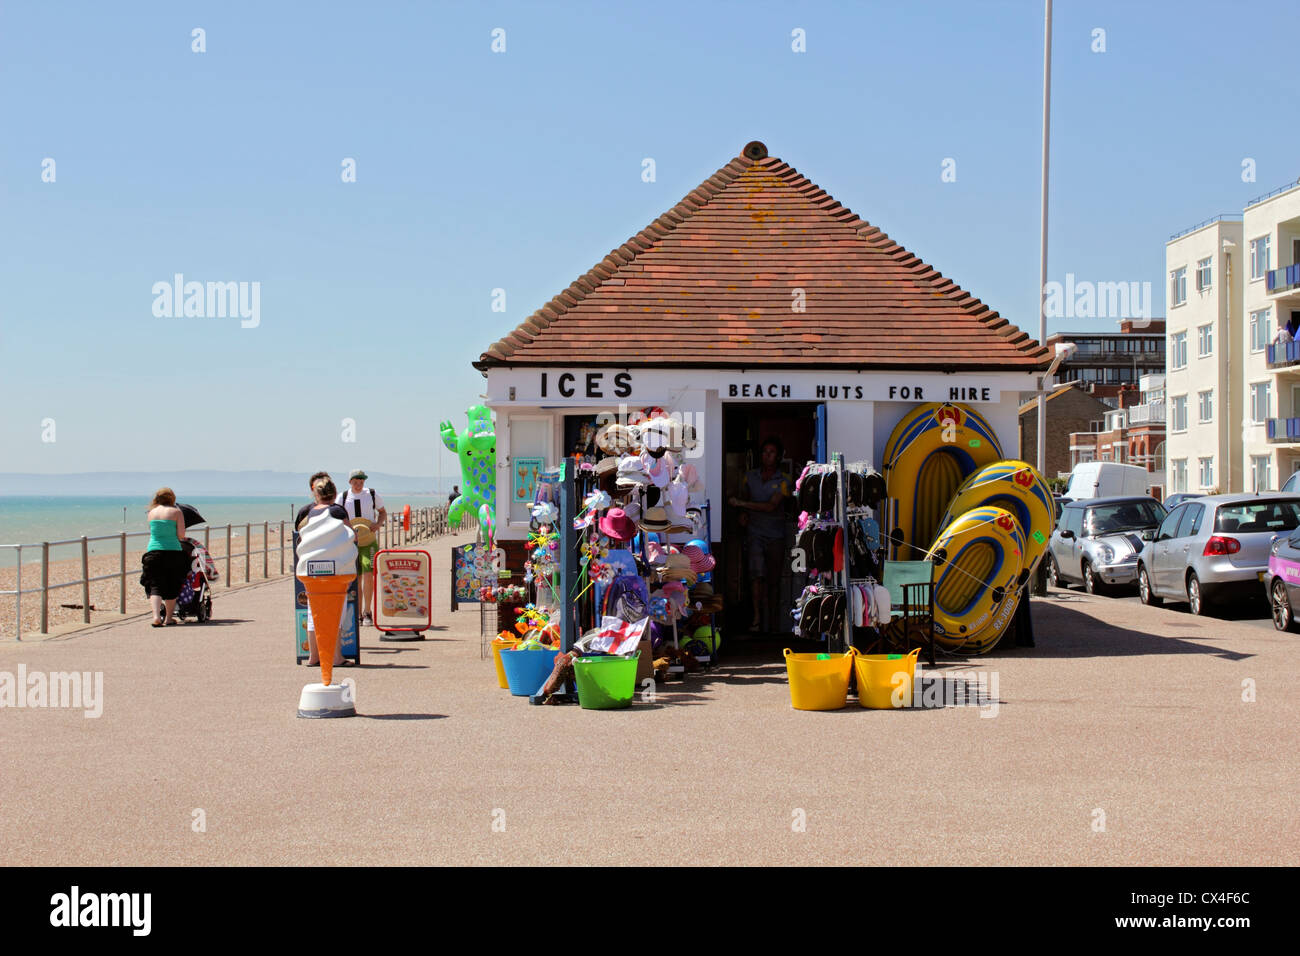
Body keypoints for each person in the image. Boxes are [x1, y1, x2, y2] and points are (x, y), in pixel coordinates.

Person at [295, 475, 357, 687]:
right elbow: (351, 535)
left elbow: (302, 538)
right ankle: (336, 657)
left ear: (316, 493)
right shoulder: (338, 511)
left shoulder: (309, 512)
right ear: (334, 492)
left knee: (314, 613)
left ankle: (314, 656)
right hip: (336, 570)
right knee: (335, 613)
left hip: (310, 571)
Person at [728, 436, 790, 636]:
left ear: (778, 456)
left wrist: (742, 505)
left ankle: (773, 623)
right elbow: (744, 497)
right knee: (756, 576)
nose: (767, 456)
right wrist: (742, 513)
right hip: (754, 533)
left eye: (771, 452)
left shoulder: (784, 480)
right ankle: (756, 618)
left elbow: (771, 506)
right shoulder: (750, 476)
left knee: (773, 580)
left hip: (776, 535)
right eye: (764, 452)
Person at [337, 469, 386, 625]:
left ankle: (367, 612)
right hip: (350, 542)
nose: (358, 484)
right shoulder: (343, 497)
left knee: (368, 573)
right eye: (355, 481)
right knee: (355, 577)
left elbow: (382, 512)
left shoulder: (371, 494)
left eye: (361, 481)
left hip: (369, 541)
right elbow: (336, 515)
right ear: (350, 481)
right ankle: (357, 613)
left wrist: (378, 524)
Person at [141, 487, 187, 627]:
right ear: (172, 498)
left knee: (155, 585)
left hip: (153, 552)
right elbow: (181, 535)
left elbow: (153, 532)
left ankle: (156, 617)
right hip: (173, 552)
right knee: (172, 584)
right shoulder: (176, 512)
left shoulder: (151, 513)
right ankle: (168, 618)